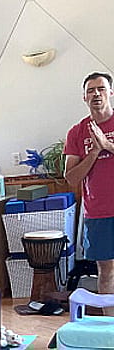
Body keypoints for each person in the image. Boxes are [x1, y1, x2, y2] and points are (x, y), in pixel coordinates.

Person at [65, 71, 114, 295]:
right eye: (90, 90)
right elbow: (71, 177)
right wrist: (94, 152)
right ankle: (109, 329)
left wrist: (107, 144)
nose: (96, 94)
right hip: (98, 213)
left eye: (101, 88)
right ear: (84, 97)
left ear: (110, 92)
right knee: (106, 271)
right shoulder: (77, 132)